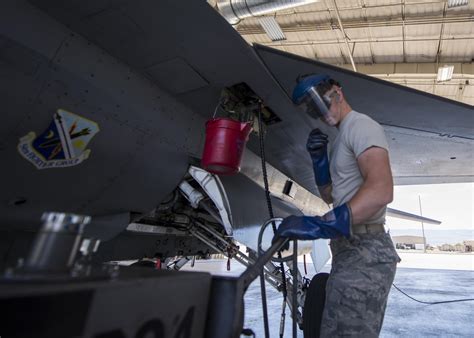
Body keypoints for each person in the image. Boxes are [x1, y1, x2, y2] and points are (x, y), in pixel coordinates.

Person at [274, 74, 400, 337]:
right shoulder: (343, 137)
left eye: (321, 104)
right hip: (348, 251)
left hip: (366, 252)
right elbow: (332, 194)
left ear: (338, 93)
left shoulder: (361, 126)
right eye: (312, 110)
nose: (319, 113)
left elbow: (381, 189)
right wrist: (319, 163)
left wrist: (322, 224)